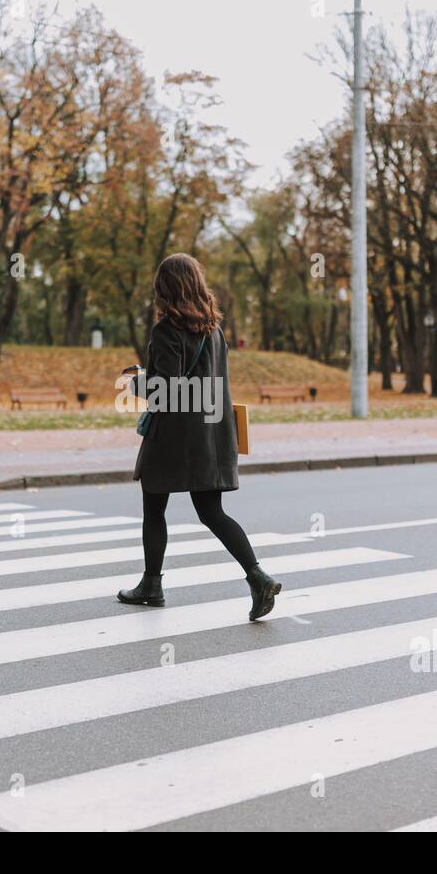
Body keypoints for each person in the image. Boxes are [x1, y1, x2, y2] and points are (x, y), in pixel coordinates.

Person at [118, 253, 282, 621]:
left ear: (165, 288)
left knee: (153, 508)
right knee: (212, 512)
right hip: (213, 434)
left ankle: (151, 585)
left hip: (174, 438)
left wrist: (137, 381)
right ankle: (257, 576)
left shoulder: (166, 331)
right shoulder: (214, 330)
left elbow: (169, 389)